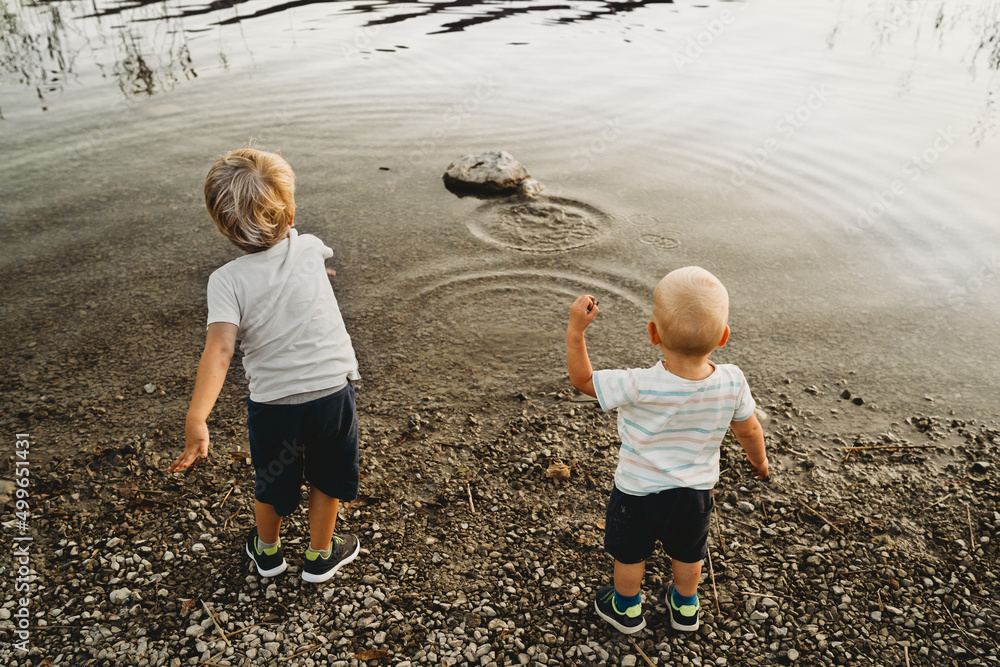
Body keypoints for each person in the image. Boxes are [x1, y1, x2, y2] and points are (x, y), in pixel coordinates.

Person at [169, 147, 361, 584]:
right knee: (328, 477)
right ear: (290, 215)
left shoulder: (225, 282)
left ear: (222, 225)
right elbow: (301, 268)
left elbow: (219, 352)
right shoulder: (310, 248)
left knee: (274, 480)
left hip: (276, 407)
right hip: (333, 395)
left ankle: (269, 553)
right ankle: (319, 556)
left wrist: (197, 416)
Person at [566, 266, 769, 634]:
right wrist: (760, 461)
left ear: (653, 333)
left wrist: (576, 331)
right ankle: (686, 606)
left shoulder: (638, 385)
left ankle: (627, 609)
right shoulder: (732, 381)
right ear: (723, 337)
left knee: (629, 555)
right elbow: (749, 430)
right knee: (689, 553)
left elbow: (582, 380)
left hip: (636, 492)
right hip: (694, 493)